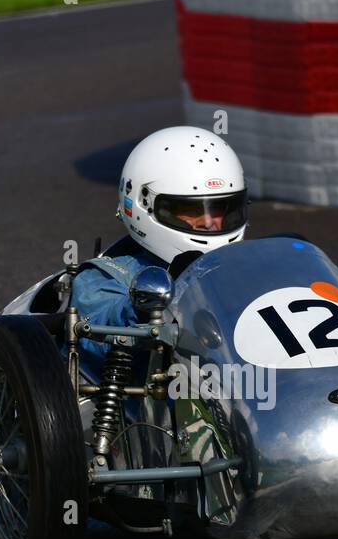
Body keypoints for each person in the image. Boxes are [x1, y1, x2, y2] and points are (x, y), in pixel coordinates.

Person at [70, 126, 248, 374]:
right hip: (149, 403)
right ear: (144, 204)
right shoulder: (106, 276)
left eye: (222, 209)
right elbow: (93, 337)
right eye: (195, 210)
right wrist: (145, 305)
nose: (212, 223)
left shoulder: (244, 267)